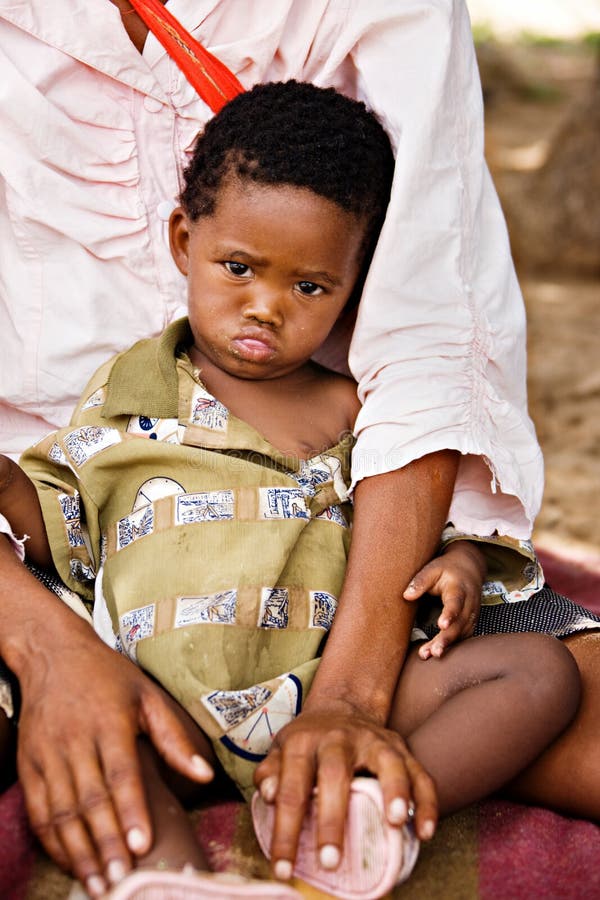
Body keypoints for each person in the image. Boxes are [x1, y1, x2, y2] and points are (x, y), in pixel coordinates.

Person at [0, 0, 598, 893]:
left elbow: (426, 354)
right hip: (104, 616)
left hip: (348, 609)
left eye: (311, 284)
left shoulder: (345, 411)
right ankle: (166, 879)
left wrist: (356, 697)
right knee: (109, 760)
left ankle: (356, 822)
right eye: (238, 268)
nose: (267, 308)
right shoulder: (112, 417)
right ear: (184, 242)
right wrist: (47, 645)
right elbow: (39, 504)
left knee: (546, 681)